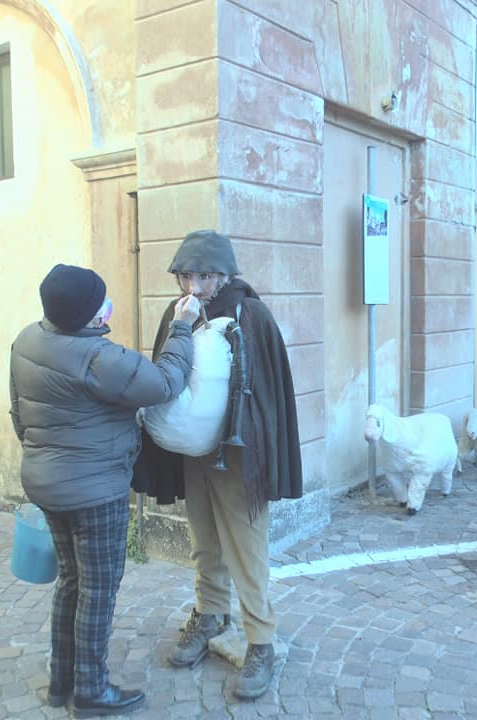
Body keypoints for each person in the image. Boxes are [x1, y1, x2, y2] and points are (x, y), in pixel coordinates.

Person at [9, 263, 200, 717]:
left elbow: (18, 414)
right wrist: (182, 326)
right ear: (90, 316)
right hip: (95, 492)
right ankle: (91, 691)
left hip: (46, 483)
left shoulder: (26, 340)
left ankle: (62, 681)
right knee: (98, 587)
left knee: (71, 580)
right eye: (102, 303)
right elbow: (165, 383)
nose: (106, 308)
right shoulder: (100, 358)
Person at [132, 230, 303, 700]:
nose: (194, 286)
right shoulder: (176, 313)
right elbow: (166, 375)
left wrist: (256, 452)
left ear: (224, 274)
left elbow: (269, 394)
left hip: (240, 456)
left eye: (204, 276)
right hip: (195, 453)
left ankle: (261, 641)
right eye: (186, 275)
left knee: (247, 549)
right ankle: (209, 614)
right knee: (204, 541)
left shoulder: (251, 314)